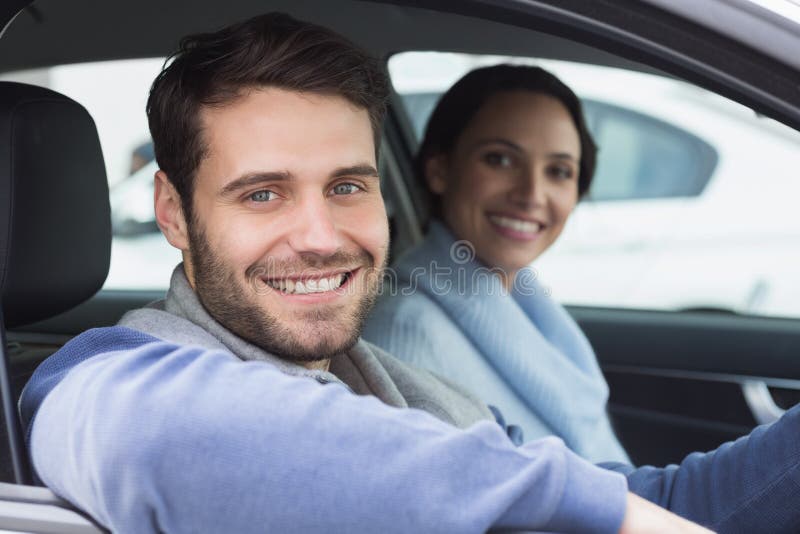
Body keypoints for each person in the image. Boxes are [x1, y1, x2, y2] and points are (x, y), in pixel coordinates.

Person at [18, 11, 800, 534]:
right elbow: (167, 436)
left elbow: (644, 501)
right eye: (263, 194)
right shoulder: (109, 381)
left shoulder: (408, 390)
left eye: (348, 186)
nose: (322, 238)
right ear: (174, 213)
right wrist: (587, 505)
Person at [364, 65, 627, 462]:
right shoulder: (405, 336)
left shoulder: (525, 304)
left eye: (558, 171)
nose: (531, 194)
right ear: (440, 170)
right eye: (500, 160)